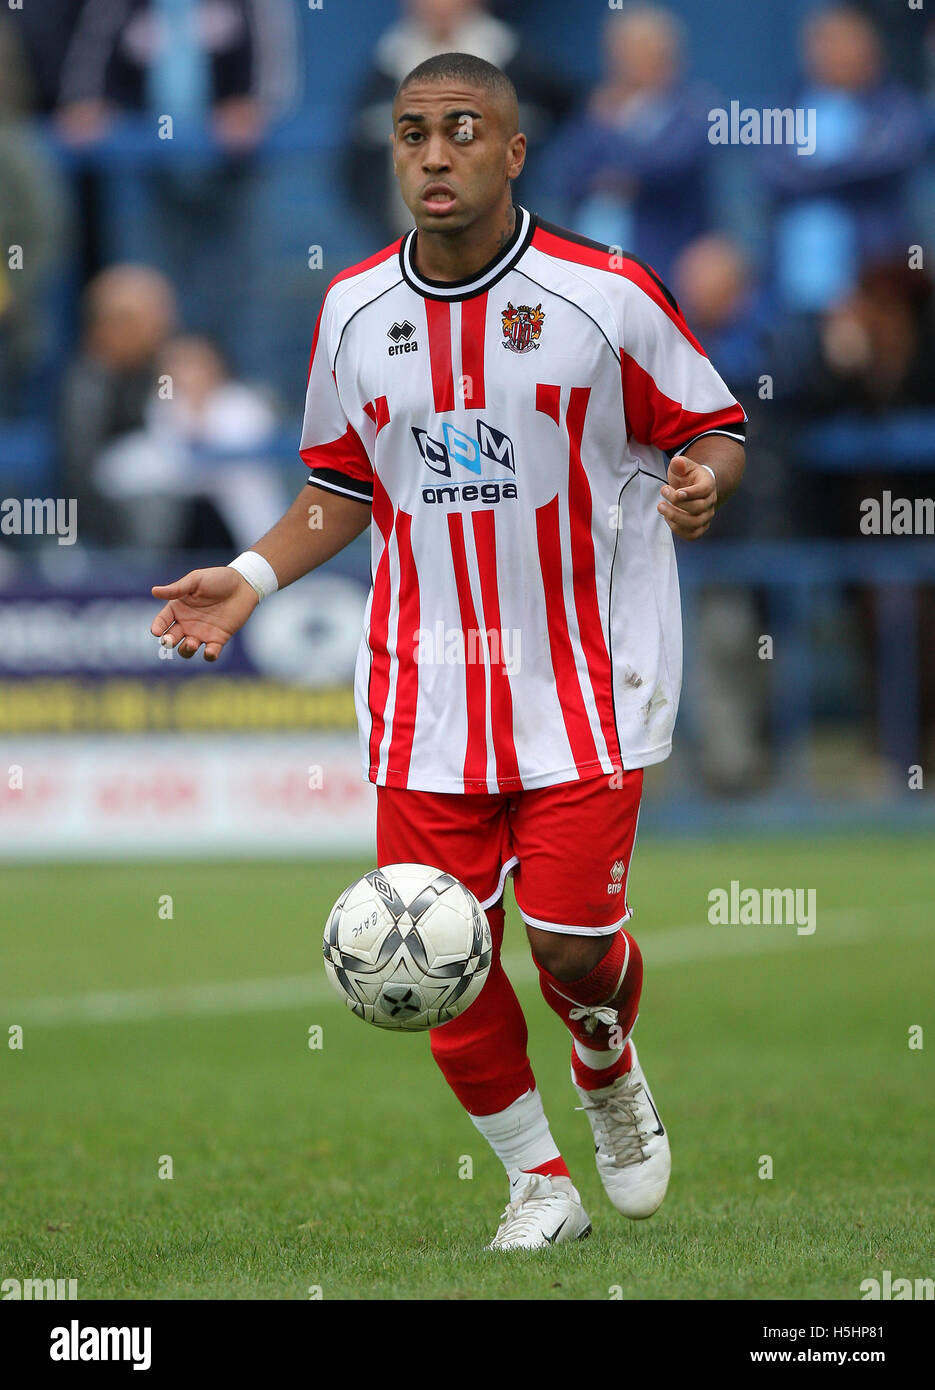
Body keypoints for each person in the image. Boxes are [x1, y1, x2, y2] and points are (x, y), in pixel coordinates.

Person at [150, 53, 746, 1250]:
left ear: (512, 152)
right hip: (424, 692)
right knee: (429, 951)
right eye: (412, 132)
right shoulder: (352, 308)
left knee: (571, 947)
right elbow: (338, 483)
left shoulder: (603, 293)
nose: (434, 153)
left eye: (462, 130)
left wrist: (699, 480)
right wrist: (249, 578)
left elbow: (714, 422)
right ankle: (538, 1184)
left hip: (583, 680)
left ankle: (603, 1054)